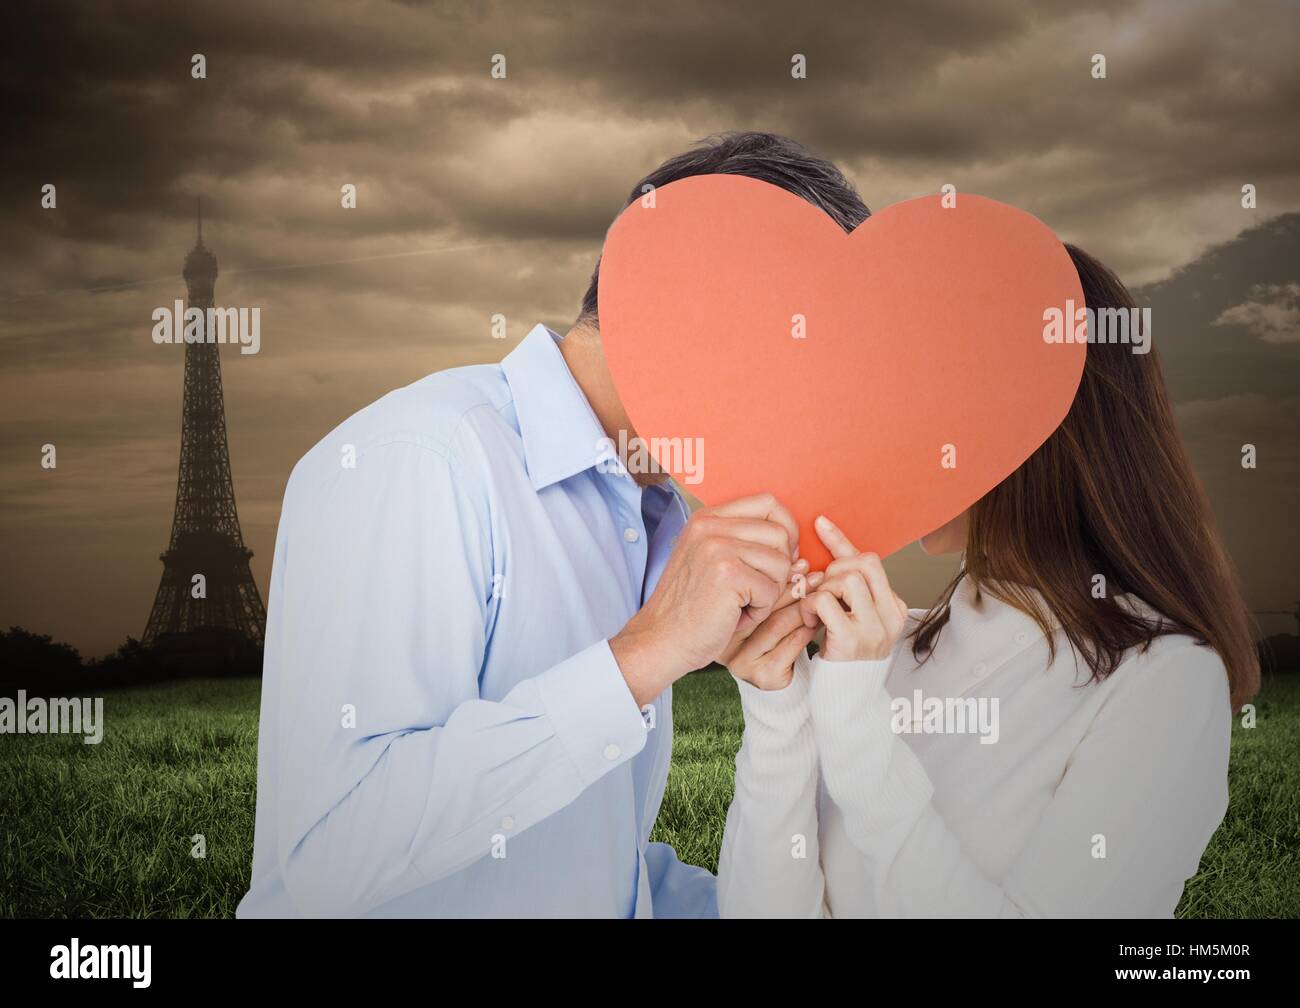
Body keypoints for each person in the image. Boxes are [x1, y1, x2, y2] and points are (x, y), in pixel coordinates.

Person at [237, 132, 871, 918]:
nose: (814, 410)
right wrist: (644, 653)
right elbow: (327, 856)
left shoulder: (642, 514)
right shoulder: (416, 458)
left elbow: (572, 864)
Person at [717, 245, 1259, 918]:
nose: (883, 430)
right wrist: (778, 712)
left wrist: (857, 729)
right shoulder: (881, 654)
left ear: (1027, 425)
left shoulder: (1167, 680)